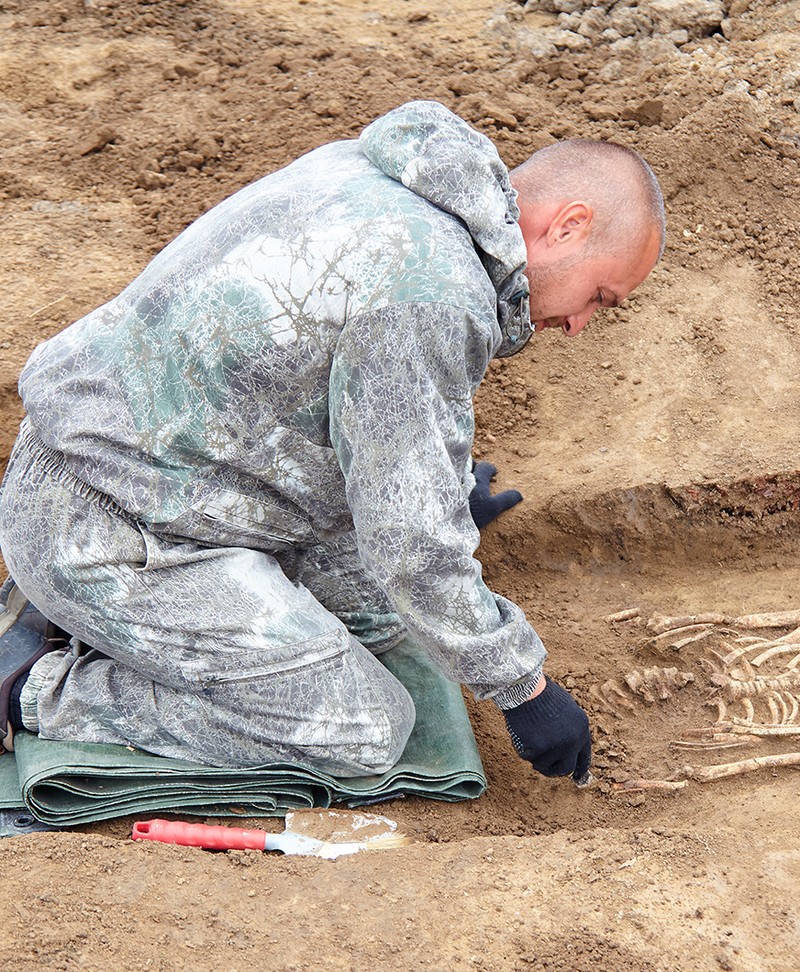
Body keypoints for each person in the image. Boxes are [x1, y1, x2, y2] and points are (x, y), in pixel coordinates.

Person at [0, 100, 665, 783]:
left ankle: (99, 624)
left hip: (132, 473)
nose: (582, 324)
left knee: (382, 610)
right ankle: (30, 688)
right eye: (601, 297)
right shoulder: (433, 295)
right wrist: (524, 690)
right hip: (102, 532)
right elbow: (409, 543)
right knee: (362, 728)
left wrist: (442, 488)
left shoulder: (393, 180)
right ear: (570, 225)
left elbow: (328, 392)